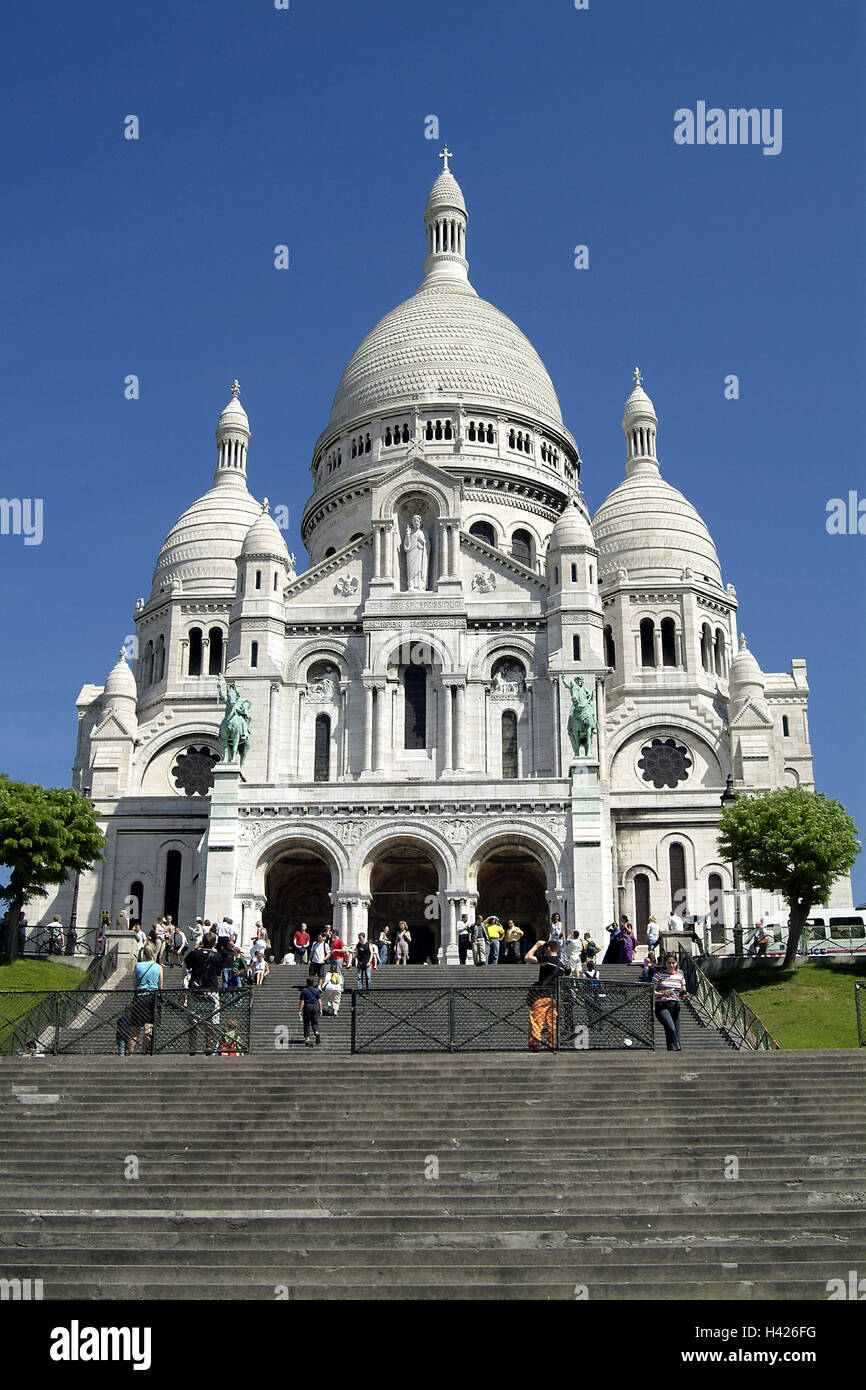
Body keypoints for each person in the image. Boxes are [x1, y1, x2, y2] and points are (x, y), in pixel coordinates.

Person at [183, 930, 233, 1055]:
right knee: (211, 1021)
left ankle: (192, 1047)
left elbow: (187, 964)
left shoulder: (194, 954)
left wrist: (198, 948)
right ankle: (209, 1046)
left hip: (195, 989)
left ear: (202, 941)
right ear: (214, 943)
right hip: (211, 989)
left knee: (193, 1021)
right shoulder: (217, 956)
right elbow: (218, 972)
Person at [524, 939, 569, 1051]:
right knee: (552, 1022)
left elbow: (527, 958)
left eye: (545, 949)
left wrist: (536, 945)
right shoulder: (562, 965)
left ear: (548, 949)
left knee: (536, 1020)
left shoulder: (547, 959)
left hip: (542, 995)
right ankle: (553, 1044)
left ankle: (535, 1043)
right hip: (554, 997)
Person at [130, 942, 163, 1054]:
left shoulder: (137, 966)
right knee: (148, 1027)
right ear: (154, 952)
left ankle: (130, 1052)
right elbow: (160, 986)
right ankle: (144, 1051)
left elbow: (134, 984)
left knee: (134, 1029)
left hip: (139, 997)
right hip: (152, 998)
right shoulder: (158, 967)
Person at [653, 952, 689, 1051]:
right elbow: (652, 991)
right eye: (669, 963)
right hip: (662, 1004)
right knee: (670, 1027)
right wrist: (663, 994)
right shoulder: (658, 975)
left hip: (675, 1005)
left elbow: (682, 990)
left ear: (676, 963)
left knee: (677, 1033)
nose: (671, 965)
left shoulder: (680, 976)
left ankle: (675, 1052)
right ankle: (675, 1049)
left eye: (673, 963)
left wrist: (684, 994)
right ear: (665, 963)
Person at [298, 975, 322, 1045]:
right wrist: (320, 1009)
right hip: (315, 1006)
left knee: (307, 1023)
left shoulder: (304, 991)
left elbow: (302, 1001)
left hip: (307, 1006)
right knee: (314, 1022)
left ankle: (307, 1039)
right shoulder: (316, 990)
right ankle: (316, 1032)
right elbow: (319, 1000)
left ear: (307, 983)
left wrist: (300, 1010)